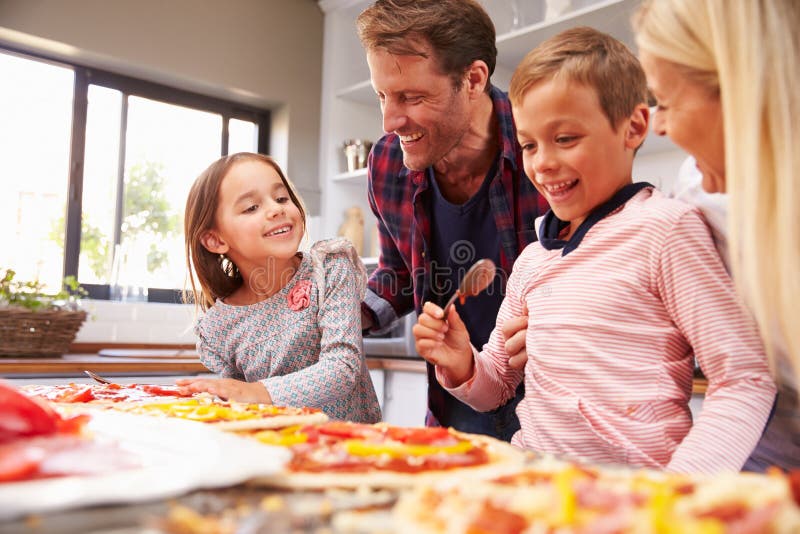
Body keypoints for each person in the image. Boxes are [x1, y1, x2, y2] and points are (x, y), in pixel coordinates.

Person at [413, 27, 776, 473]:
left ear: (634, 127)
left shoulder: (667, 229)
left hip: (637, 496)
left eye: (565, 138)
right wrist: (464, 363)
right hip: (535, 482)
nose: (542, 162)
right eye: (528, 144)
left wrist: (680, 491)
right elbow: (499, 384)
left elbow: (744, 377)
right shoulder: (533, 260)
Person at [355, 0, 548, 440]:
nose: (389, 120)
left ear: (474, 79)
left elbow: (594, 263)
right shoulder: (387, 162)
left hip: (549, 408)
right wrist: (345, 316)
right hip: (454, 402)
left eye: (412, 97)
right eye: (382, 95)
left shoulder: (542, 144)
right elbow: (399, 276)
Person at [633, 0, 800, 471]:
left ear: (745, 92)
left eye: (664, 101)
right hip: (766, 444)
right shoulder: (696, 190)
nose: (657, 125)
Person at [176, 152, 381, 424]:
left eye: (282, 198)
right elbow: (240, 407)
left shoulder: (329, 267)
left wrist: (257, 391)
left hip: (353, 451)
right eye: (251, 207)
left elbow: (341, 369)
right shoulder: (219, 325)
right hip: (275, 455)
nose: (276, 209)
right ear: (215, 240)